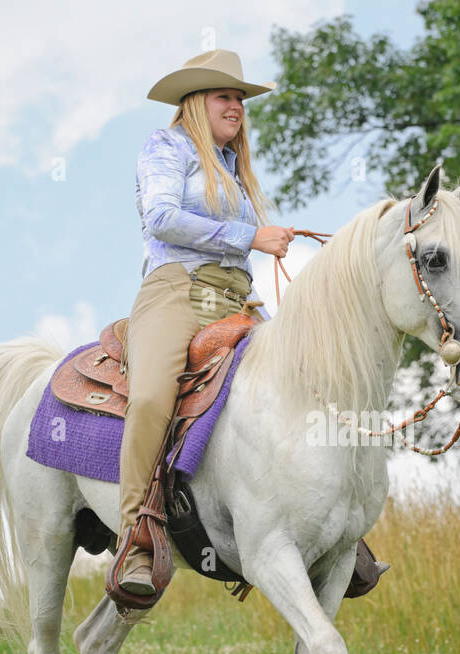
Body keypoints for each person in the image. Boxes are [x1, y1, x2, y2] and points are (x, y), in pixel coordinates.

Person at [110, 50, 387, 604]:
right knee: (149, 399)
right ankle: (137, 534)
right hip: (176, 291)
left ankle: (335, 526)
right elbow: (160, 217)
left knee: (307, 379)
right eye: (225, 96)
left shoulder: (232, 169)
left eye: (240, 98)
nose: (237, 106)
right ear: (195, 103)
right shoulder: (166, 148)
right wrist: (251, 238)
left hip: (236, 298)